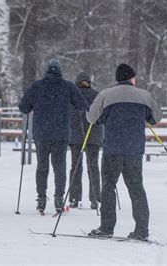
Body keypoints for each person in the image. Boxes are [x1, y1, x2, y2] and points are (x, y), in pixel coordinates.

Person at [86, 63, 162, 241]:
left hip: (113, 148)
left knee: (108, 187)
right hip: (134, 150)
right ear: (131, 78)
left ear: (117, 78)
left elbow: (92, 118)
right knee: (136, 189)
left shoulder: (105, 94)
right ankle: (141, 230)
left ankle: (106, 227)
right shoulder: (145, 96)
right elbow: (156, 118)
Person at [18, 59, 87, 215]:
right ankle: (59, 198)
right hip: (61, 134)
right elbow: (82, 105)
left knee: (42, 166)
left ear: (46, 71)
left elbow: (23, 107)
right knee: (60, 167)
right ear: (60, 72)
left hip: (41, 133)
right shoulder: (68, 86)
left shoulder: (37, 86)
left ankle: (41, 199)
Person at [68, 72, 103, 209]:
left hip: (76, 136)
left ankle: (74, 199)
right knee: (93, 167)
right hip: (94, 136)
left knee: (75, 167)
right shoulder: (97, 95)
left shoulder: (72, 95)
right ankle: (95, 199)